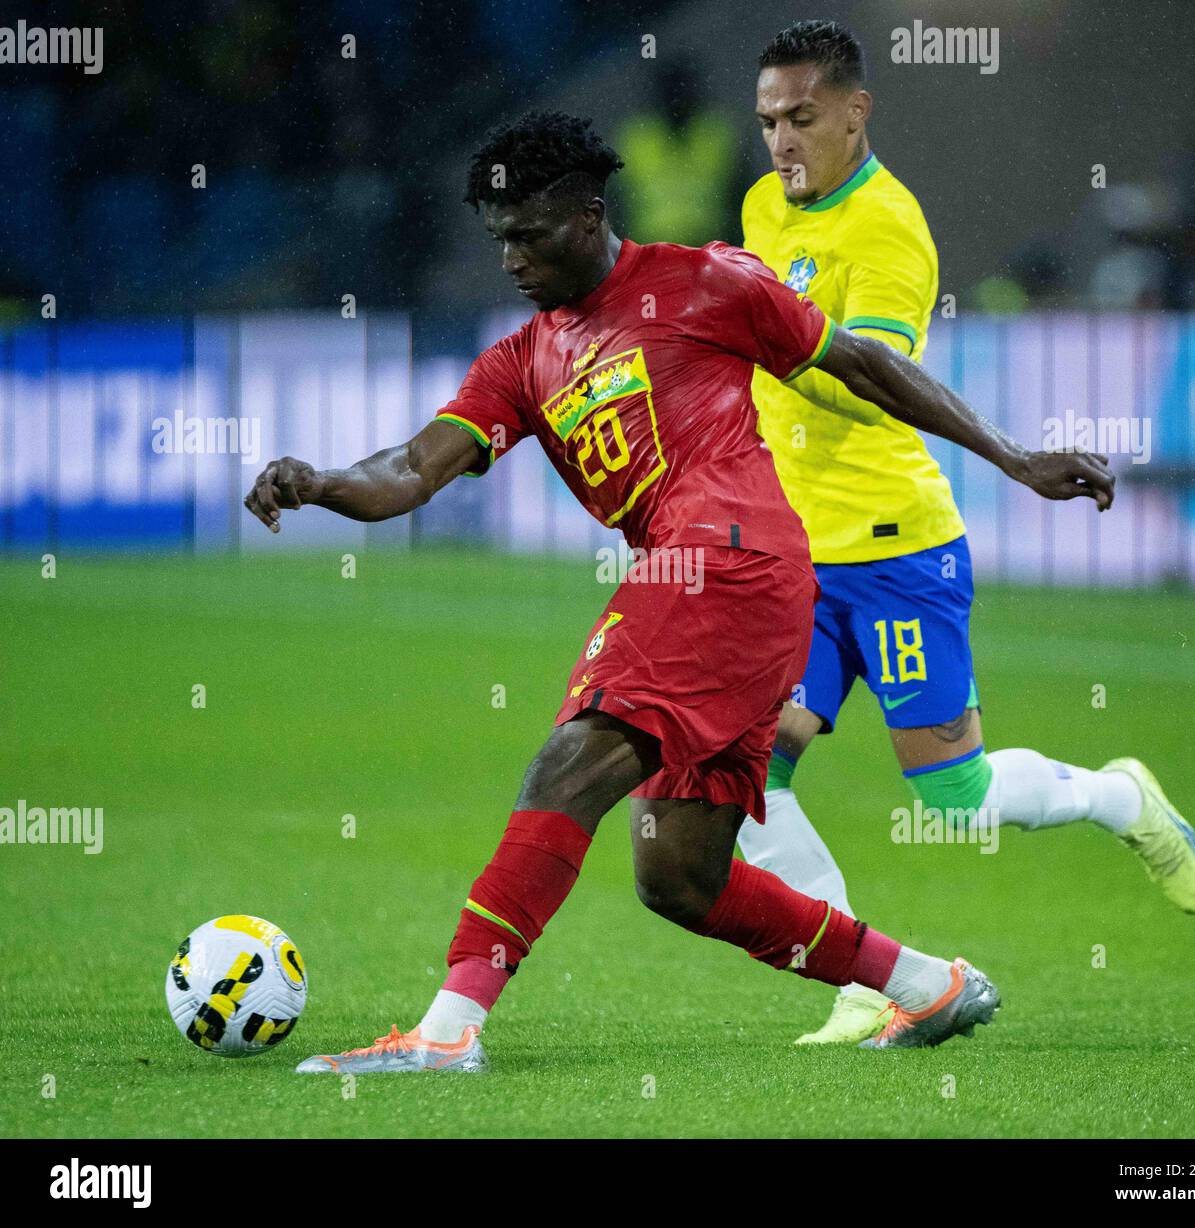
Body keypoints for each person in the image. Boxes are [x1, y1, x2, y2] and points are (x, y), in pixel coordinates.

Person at [244, 111, 1113, 1074]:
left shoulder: (704, 282)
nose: (512, 258)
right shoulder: (525, 359)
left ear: (584, 214)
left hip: (728, 563)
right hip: (731, 592)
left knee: (568, 765)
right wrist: (322, 482)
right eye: (498, 240)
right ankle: (925, 985)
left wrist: (1014, 456)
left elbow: (865, 365)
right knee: (680, 876)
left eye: (528, 233)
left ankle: (448, 1033)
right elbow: (410, 467)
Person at [734, 21, 1195, 1047]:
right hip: (794, 556)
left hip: (896, 546)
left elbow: (876, 388)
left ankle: (1115, 797)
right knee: (747, 767)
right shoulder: (760, 207)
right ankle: (862, 980)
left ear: (855, 113)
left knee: (953, 792)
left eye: (802, 119)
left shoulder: (889, 230)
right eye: (769, 119)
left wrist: (779, 341)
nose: (781, 141)